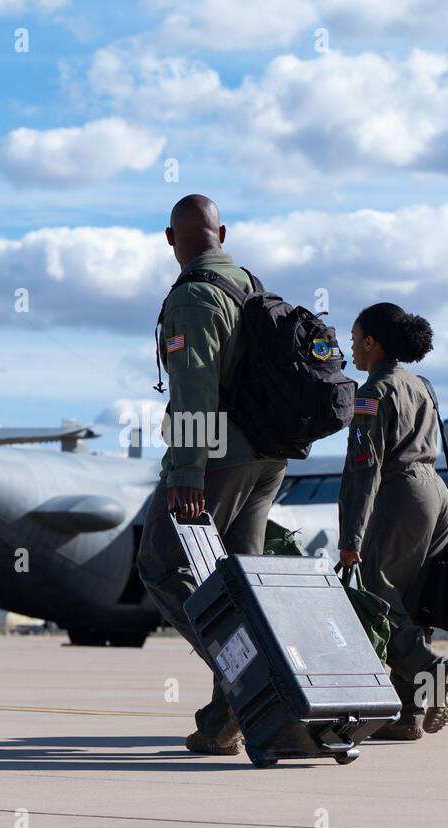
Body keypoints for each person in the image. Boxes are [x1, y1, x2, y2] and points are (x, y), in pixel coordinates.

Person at [136, 194, 287, 757]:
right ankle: (232, 712)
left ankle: (250, 676)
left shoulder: (195, 298)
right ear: (223, 233)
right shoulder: (253, 286)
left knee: (163, 561)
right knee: (242, 581)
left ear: (171, 239)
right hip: (269, 455)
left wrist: (188, 473)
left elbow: (194, 390)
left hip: (218, 455)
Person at [337, 303, 448, 741]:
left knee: (377, 599)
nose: (351, 348)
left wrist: (351, 537)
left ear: (372, 343)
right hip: (436, 496)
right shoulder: (421, 385)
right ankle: (407, 714)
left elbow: (363, 467)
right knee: (411, 604)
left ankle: (438, 672)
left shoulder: (373, 391)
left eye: (355, 339)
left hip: (400, 494)